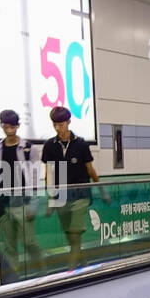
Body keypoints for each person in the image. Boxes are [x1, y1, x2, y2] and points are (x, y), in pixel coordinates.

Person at [41, 105, 106, 270]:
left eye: (61, 124)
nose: (58, 128)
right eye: (55, 124)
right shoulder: (49, 145)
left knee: (75, 235)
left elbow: (90, 170)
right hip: (61, 197)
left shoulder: (81, 144)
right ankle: (85, 267)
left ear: (68, 122)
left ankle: (70, 274)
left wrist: (102, 191)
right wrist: (50, 200)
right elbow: (48, 173)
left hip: (81, 196)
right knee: (71, 238)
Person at [0, 108, 42, 278]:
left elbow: (35, 179)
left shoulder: (28, 149)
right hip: (5, 203)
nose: (9, 130)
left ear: (18, 126)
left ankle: (43, 273)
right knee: (9, 246)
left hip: (23, 202)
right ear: (2, 126)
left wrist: (34, 204)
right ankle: (14, 281)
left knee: (29, 242)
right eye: (6, 126)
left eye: (12, 126)